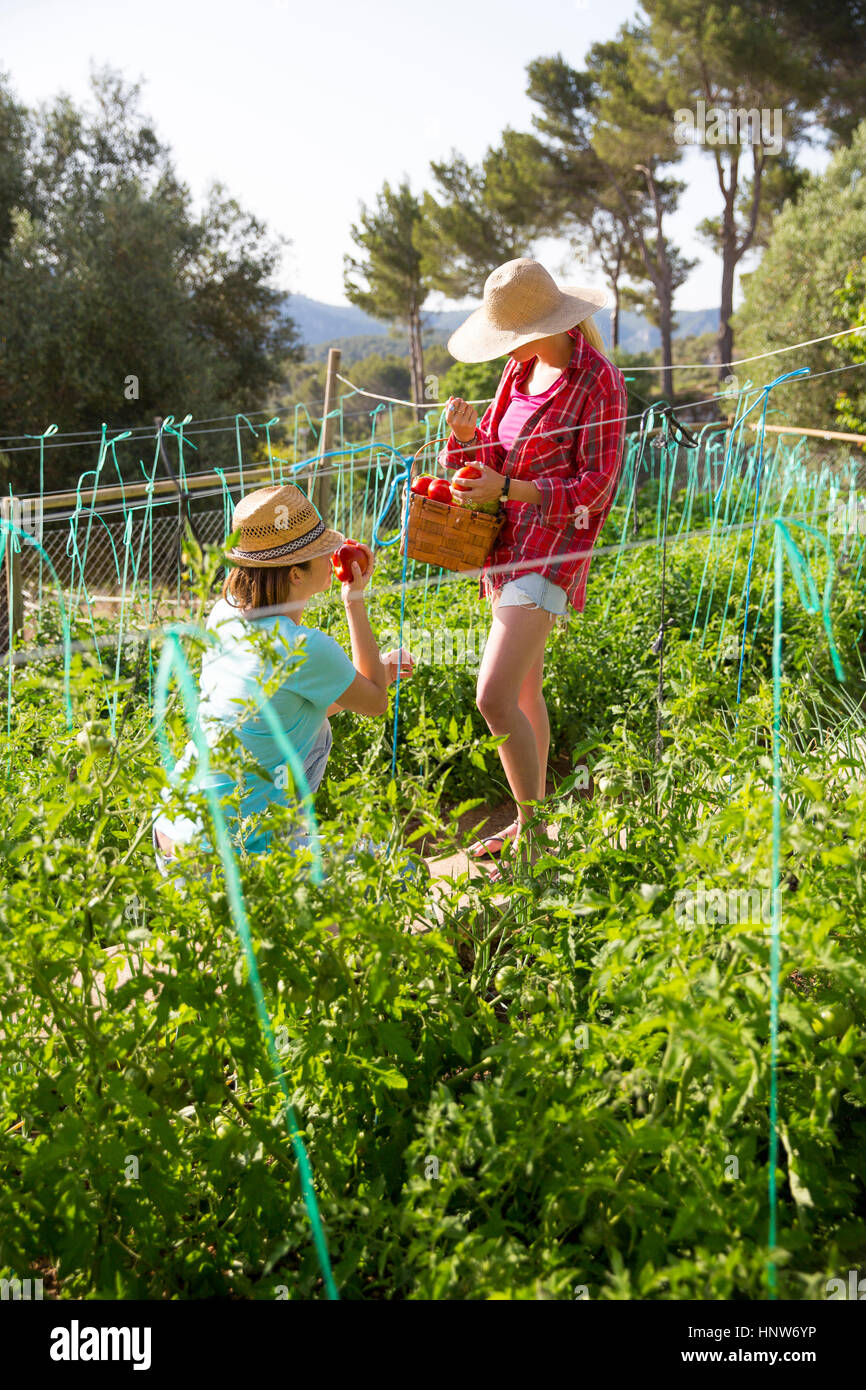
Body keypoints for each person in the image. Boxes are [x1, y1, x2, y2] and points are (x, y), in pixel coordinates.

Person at [440, 257, 628, 871]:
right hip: (503, 551)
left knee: (492, 696)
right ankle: (536, 830)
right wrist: (467, 440)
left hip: (550, 553)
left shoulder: (597, 380)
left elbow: (597, 485)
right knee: (524, 690)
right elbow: (496, 453)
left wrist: (511, 491)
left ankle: (534, 832)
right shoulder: (518, 372)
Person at [151, 483, 412, 878]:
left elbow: (284, 710)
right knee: (397, 871)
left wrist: (368, 675)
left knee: (317, 725)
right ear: (294, 574)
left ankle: (287, 845)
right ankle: (288, 865)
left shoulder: (223, 615)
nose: (331, 556)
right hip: (225, 855)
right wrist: (354, 601)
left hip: (173, 836)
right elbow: (375, 704)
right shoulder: (305, 647)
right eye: (319, 552)